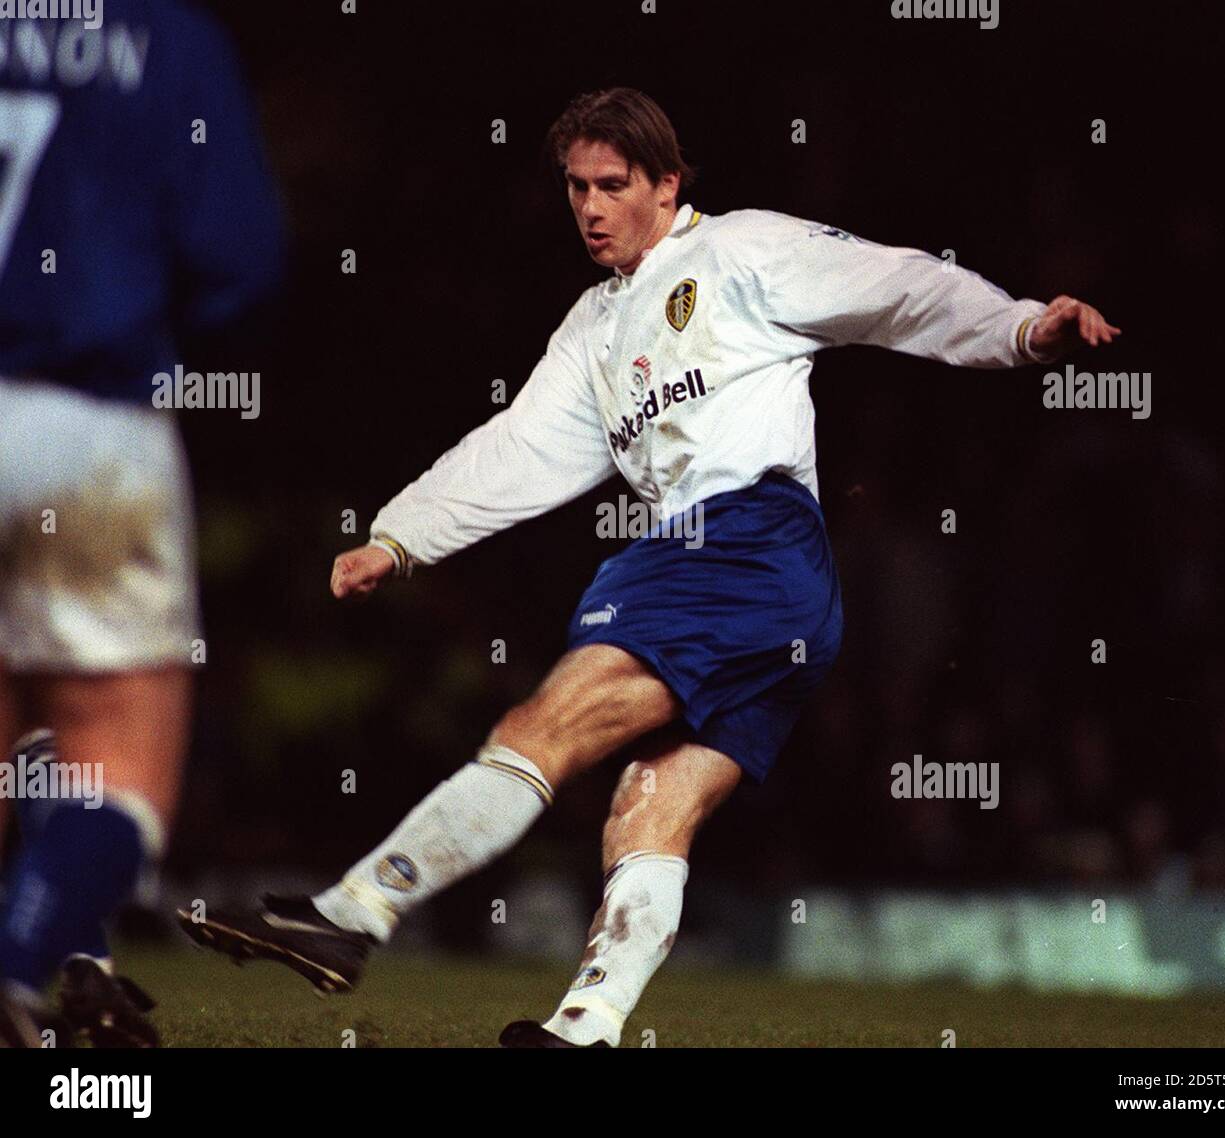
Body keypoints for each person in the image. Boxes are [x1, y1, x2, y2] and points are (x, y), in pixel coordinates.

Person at [179, 87, 1118, 1048]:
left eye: (613, 185)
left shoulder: (738, 250)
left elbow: (896, 285)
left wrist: (1019, 327)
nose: (589, 207)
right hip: (779, 600)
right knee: (648, 804)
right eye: (576, 187)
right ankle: (587, 1025)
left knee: (539, 726)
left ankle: (352, 913)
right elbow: (519, 447)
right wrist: (400, 534)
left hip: (742, 543)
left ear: (667, 185)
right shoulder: (594, 328)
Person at [0, 1, 282, 1047]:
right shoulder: (166, 34)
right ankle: (33, 958)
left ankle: (74, 964)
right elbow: (242, 258)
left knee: (23, 734)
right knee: (117, 761)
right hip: (89, 412)